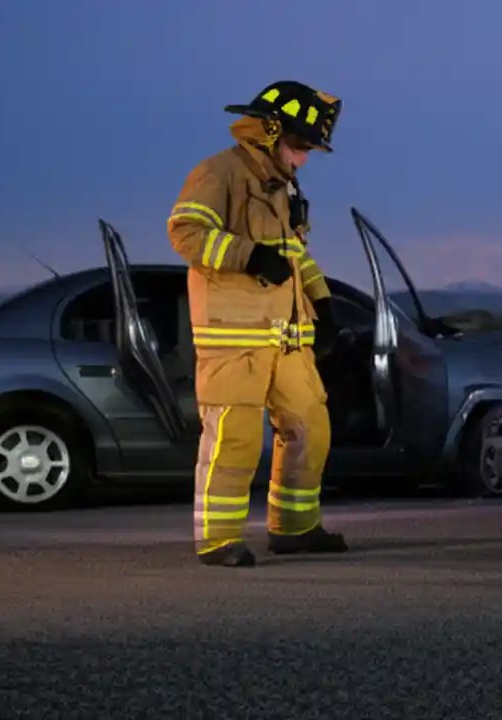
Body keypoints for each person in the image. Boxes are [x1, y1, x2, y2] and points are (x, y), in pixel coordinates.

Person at [167, 80, 350, 567]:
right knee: (235, 438)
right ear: (270, 132)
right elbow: (186, 232)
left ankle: (295, 528)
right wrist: (247, 255)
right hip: (235, 339)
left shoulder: (283, 185)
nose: (303, 158)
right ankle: (218, 540)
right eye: (300, 145)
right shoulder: (219, 172)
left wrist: (323, 304)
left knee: (311, 428)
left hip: (286, 338)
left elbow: (294, 255)